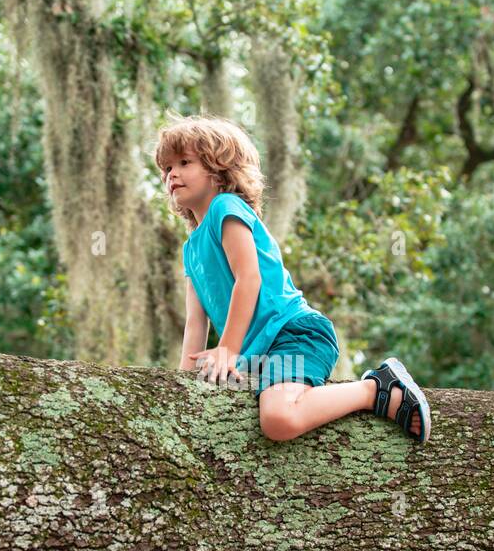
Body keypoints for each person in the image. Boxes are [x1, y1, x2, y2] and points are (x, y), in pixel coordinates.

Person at [153, 112, 431, 443]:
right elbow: (195, 323)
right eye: (167, 168)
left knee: (278, 420)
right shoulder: (191, 249)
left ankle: (378, 389)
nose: (173, 174)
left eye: (185, 162)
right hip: (259, 356)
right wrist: (182, 385)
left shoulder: (226, 208)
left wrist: (226, 349)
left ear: (218, 171)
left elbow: (249, 280)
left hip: (294, 335)